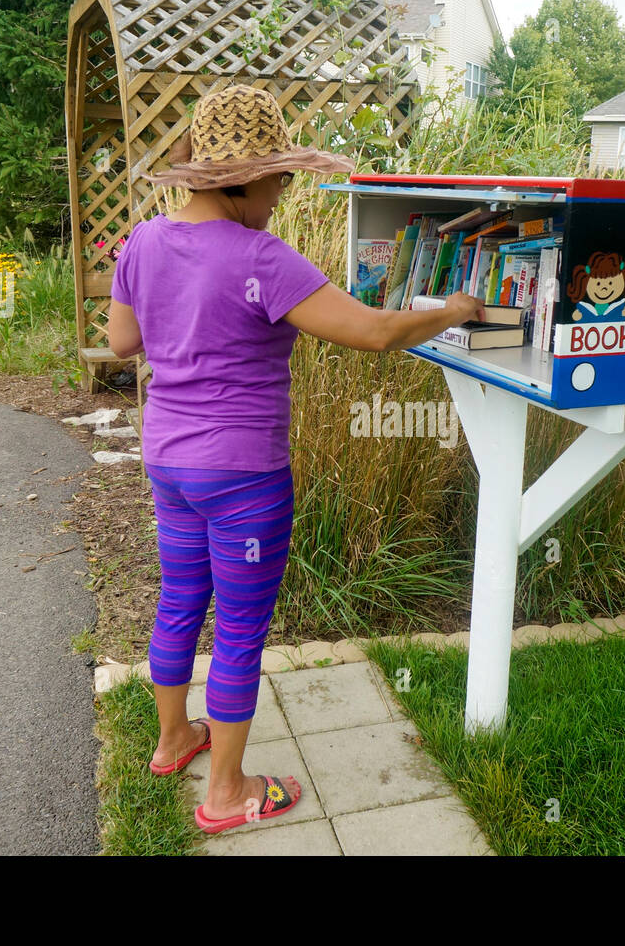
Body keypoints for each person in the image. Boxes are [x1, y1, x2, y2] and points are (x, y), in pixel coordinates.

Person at [105, 84, 484, 834]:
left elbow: (122, 343)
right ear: (243, 177)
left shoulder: (143, 242)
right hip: (244, 476)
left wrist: (182, 317)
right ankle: (226, 791)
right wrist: (452, 310)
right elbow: (374, 331)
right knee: (240, 631)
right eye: (279, 177)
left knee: (180, 599)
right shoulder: (262, 258)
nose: (282, 192)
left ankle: (174, 737)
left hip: (169, 464)